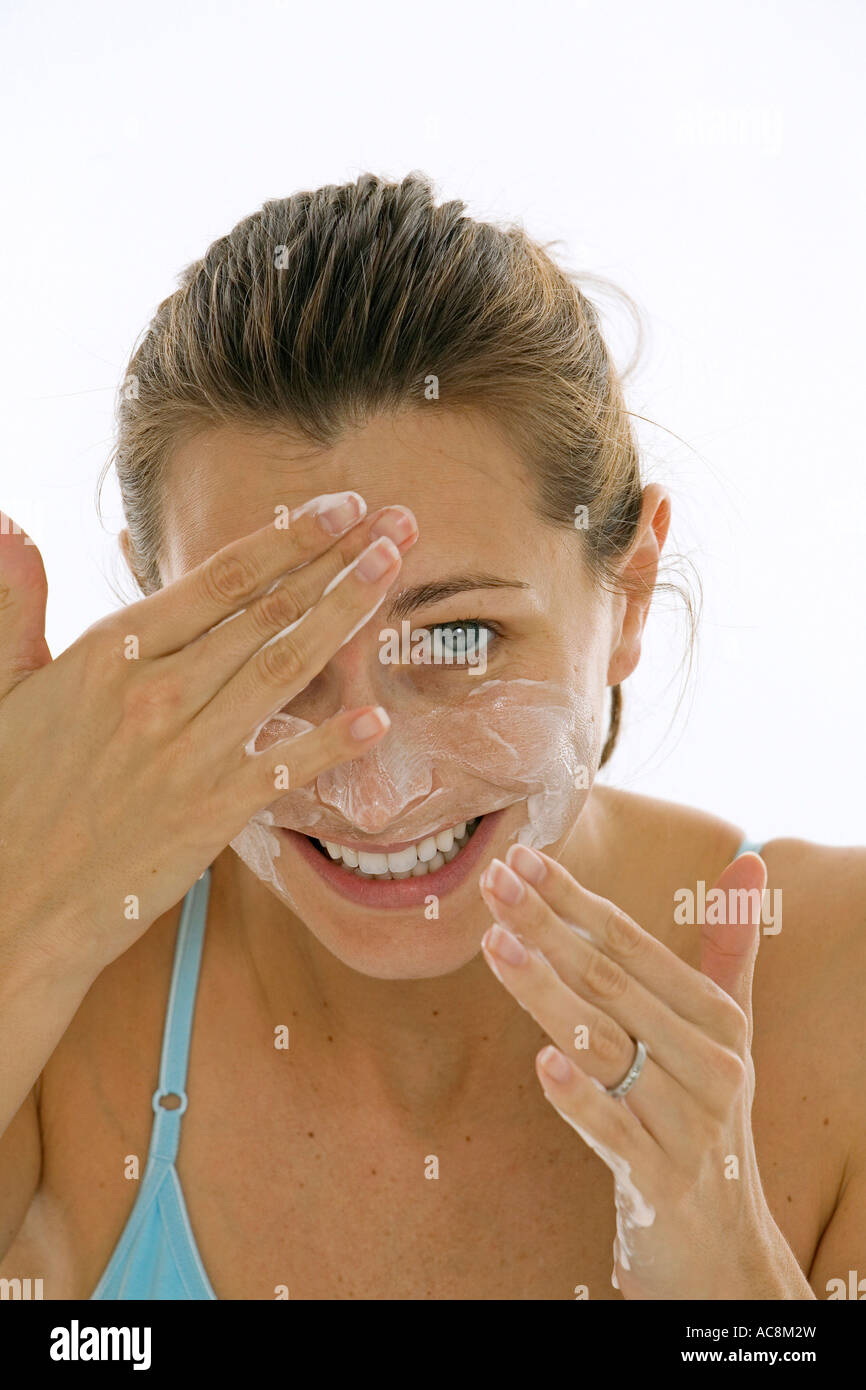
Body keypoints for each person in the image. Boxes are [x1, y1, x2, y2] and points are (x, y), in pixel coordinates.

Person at [1, 172, 862, 1300]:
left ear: (631, 593)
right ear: (148, 601)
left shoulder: (836, 992)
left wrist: (729, 1291)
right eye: (275, 647)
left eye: (458, 639)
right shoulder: (63, 993)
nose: (369, 784)